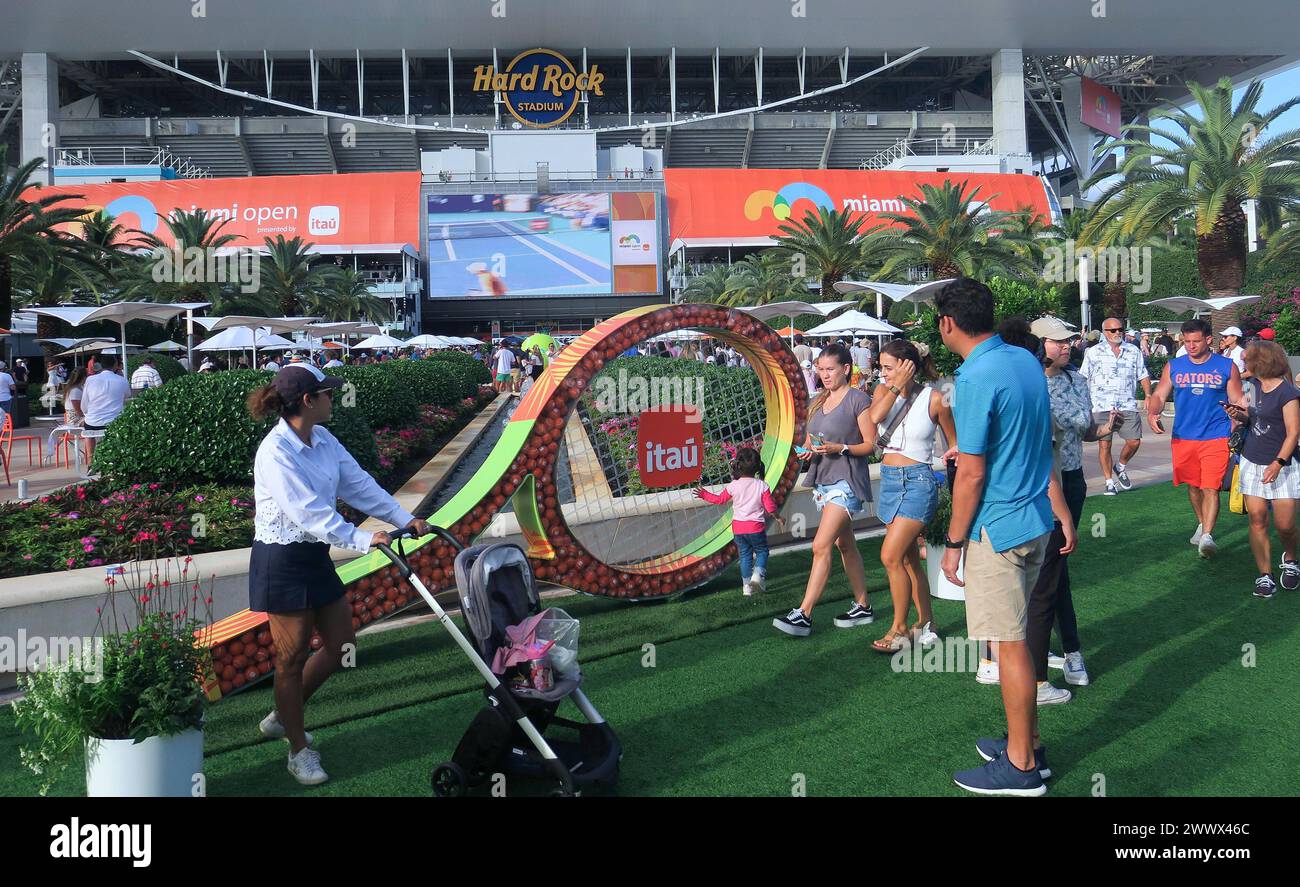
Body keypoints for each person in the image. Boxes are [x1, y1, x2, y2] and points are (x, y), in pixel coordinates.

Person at [247, 364, 433, 786]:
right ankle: (298, 749)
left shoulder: (323, 438)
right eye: (328, 393)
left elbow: (358, 484)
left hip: (313, 556)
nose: (334, 399)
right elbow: (307, 512)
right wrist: (365, 539)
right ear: (309, 401)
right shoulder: (275, 452)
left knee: (341, 644)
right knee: (291, 658)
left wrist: (406, 518)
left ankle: (282, 715)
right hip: (281, 559)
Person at [936, 279, 1060, 797]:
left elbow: (970, 472)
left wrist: (953, 541)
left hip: (998, 528)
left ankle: (1021, 764)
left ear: (947, 323)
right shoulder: (1024, 360)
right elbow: (1039, 435)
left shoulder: (976, 376)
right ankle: (1025, 741)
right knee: (1020, 638)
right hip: (1034, 520)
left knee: (1007, 645)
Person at [774, 343, 876, 637]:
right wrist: (806, 451)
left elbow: (870, 444)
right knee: (845, 545)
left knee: (821, 545)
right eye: (820, 369)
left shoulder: (859, 400)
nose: (824, 374)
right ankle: (863, 605)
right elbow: (811, 441)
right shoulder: (818, 401)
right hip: (824, 481)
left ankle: (803, 614)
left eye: (829, 369)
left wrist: (840, 448)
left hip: (847, 482)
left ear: (846, 369)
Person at [1029, 315, 1106, 691]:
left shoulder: (1076, 379)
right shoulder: (1025, 382)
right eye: (1057, 341)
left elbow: (1082, 423)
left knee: (1054, 569)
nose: (1066, 346)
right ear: (1038, 344)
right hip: (1034, 484)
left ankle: (1067, 650)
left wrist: (1100, 429)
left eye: (1067, 341)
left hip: (1068, 480)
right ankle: (1055, 649)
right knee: (1045, 571)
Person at [866, 339, 956, 653]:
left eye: (889, 367)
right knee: (905, 559)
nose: (883, 373)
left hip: (918, 483)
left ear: (908, 366)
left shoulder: (934, 398)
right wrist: (894, 386)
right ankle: (927, 622)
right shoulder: (882, 392)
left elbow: (953, 444)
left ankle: (900, 627)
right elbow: (875, 417)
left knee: (890, 556)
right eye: (882, 367)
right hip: (890, 481)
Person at [1146, 318, 1243, 558]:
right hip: (1183, 436)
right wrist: (1153, 410)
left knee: (1211, 486)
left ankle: (1208, 535)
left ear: (1209, 340)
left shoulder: (1226, 366)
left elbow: (1238, 399)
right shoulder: (1174, 366)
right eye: (1187, 341)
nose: (1190, 346)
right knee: (1194, 486)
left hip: (1216, 434)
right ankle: (1202, 523)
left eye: (1196, 341)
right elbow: (1159, 394)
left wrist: (1239, 415)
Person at [1225, 340, 1300, 598]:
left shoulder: (1287, 393)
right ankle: (1265, 575)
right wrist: (1239, 414)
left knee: (1285, 525)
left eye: (1248, 361)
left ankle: (1290, 559)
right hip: (1252, 460)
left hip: (1283, 464)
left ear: (1262, 361)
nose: (1244, 365)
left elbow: (1293, 434)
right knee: (1257, 519)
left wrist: (1278, 463)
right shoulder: (1253, 386)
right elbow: (1252, 417)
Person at [694, 447, 785, 596]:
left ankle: (746, 587)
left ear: (738, 465)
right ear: (757, 467)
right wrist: (779, 518)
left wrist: (704, 494)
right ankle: (758, 576)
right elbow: (770, 508)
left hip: (738, 528)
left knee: (745, 556)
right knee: (762, 552)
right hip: (756, 527)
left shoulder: (733, 485)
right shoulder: (762, 486)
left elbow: (719, 500)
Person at [1079, 316, 1152, 496]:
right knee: (1104, 445)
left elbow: (1142, 374)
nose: (1118, 333)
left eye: (1120, 329)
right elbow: (1083, 378)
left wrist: (1149, 394)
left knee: (1134, 441)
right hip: (1100, 404)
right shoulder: (1093, 352)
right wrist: (1082, 402)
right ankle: (1109, 481)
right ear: (1105, 332)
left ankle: (1120, 466)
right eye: (1113, 330)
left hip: (1126, 403)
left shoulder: (1133, 351)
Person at [80, 354, 131, 459]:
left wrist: (86, 414)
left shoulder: (90, 380)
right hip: (114, 422)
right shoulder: (122, 380)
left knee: (89, 433)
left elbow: (84, 404)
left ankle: (90, 461)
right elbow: (128, 395)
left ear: (100, 365)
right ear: (116, 365)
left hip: (93, 422)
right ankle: (115, 458)